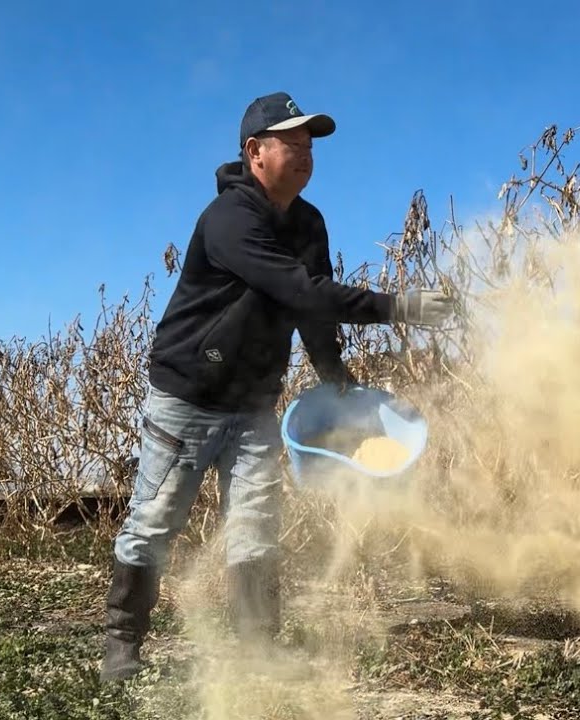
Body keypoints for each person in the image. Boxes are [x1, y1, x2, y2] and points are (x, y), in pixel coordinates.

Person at [100, 91, 454, 683]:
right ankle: (122, 642)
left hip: (255, 402)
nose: (305, 152)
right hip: (188, 397)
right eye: (291, 141)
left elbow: (313, 306)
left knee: (256, 527)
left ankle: (258, 651)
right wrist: (401, 307)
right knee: (156, 521)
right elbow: (302, 291)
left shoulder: (308, 222)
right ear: (254, 152)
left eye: (309, 143)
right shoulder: (230, 220)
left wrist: (333, 371)